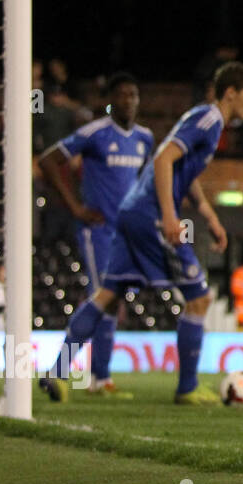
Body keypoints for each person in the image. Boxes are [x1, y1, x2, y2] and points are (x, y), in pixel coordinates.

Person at [38, 61, 243, 404]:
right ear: (231, 93)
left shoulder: (206, 123)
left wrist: (208, 214)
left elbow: (183, 171)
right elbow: (163, 162)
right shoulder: (208, 119)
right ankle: (186, 388)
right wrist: (170, 217)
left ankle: (58, 372)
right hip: (151, 216)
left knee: (107, 294)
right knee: (199, 298)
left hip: (132, 214)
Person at [37, 72, 154, 396]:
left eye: (133, 95)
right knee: (103, 295)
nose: (128, 101)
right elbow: (48, 160)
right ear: (110, 102)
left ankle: (99, 379)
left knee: (110, 300)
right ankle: (61, 370)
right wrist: (74, 206)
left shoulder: (144, 138)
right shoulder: (95, 133)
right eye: (122, 95)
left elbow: (147, 182)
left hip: (127, 233)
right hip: (98, 230)